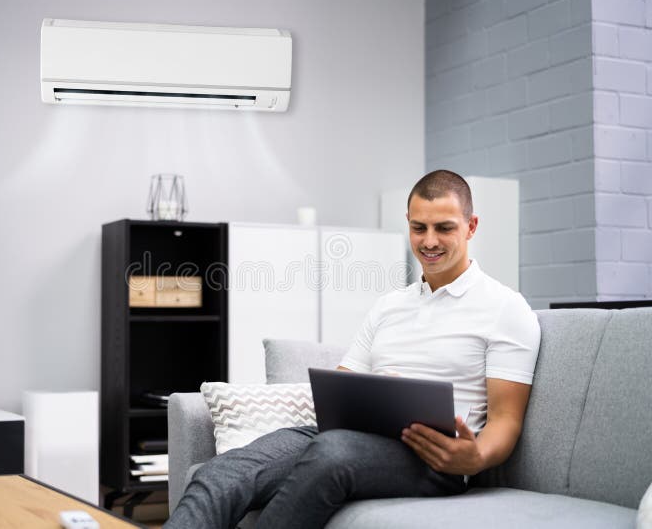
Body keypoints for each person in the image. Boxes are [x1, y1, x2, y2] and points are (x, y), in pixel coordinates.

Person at [165, 170, 541, 529]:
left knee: (332, 454)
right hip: (352, 437)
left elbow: (506, 421)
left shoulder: (505, 308)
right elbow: (343, 385)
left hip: (434, 461)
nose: (429, 241)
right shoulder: (389, 305)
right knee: (224, 470)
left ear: (471, 226)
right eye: (418, 227)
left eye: (444, 228)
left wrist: (473, 458)